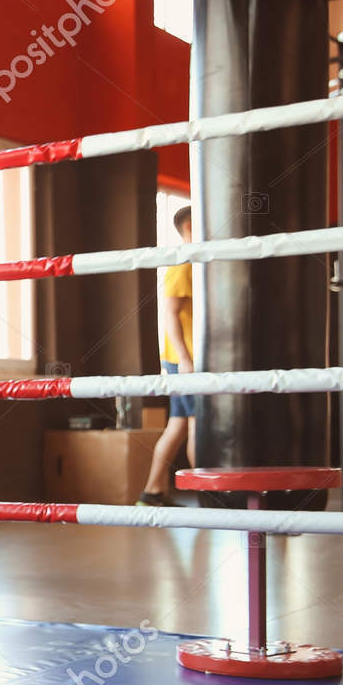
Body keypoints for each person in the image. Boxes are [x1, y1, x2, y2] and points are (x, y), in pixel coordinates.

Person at [138, 205, 196, 506]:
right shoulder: (183, 263)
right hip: (184, 361)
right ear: (190, 227)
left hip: (184, 360)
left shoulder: (194, 261)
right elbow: (170, 313)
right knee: (197, 424)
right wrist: (185, 359)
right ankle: (210, 497)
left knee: (179, 426)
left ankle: (152, 491)